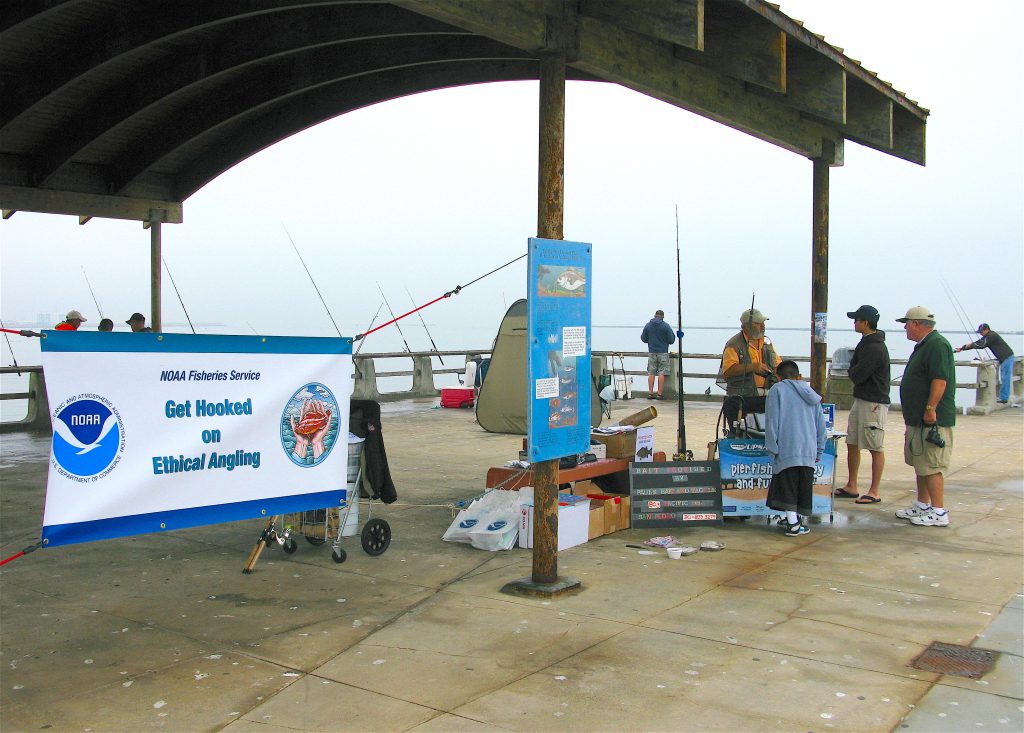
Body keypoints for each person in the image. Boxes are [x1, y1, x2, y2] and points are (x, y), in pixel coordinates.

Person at [895, 306, 955, 527]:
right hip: (916, 419)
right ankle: (922, 505)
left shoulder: (937, 345)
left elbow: (939, 379)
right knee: (920, 462)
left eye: (907, 323)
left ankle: (939, 511)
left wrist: (931, 408)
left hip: (931, 419)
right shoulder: (924, 346)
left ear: (917, 324)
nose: (905, 328)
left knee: (932, 464)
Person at [834, 305, 890, 504]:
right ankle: (852, 485)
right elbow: (854, 369)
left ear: (866, 322)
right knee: (853, 442)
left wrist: (853, 371)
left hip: (874, 401)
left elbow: (858, 373)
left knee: (875, 445)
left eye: (857, 320)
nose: (854, 323)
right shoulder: (865, 343)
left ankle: (874, 490)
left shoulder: (874, 346)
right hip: (861, 399)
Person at [764, 360, 826, 536]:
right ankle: (794, 519)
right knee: (801, 486)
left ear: (778, 377)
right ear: (799, 376)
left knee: (787, 486)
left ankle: (793, 525)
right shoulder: (811, 393)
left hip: (787, 447)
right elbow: (821, 427)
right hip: (808, 449)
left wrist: (772, 447)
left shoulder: (777, 390)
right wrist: (819, 449)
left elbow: (772, 421)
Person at [717, 308, 782, 397]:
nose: (763, 326)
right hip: (743, 395)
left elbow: (777, 365)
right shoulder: (734, 344)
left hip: (768, 393)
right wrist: (752, 367)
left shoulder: (766, 342)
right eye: (758, 323)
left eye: (763, 323)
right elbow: (728, 371)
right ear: (747, 326)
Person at [955, 323, 1015, 404]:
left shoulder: (992, 335)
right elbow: (979, 342)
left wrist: (971, 345)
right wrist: (962, 348)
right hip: (1004, 358)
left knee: (1005, 378)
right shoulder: (988, 336)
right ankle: (1003, 397)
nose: (980, 333)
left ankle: (1004, 398)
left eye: (981, 331)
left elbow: (982, 344)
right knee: (1004, 377)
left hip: (1007, 357)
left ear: (986, 330)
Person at [640, 309, 675, 399]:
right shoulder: (666, 326)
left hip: (652, 352)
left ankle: (650, 393)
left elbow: (643, 339)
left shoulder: (648, 325)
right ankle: (659, 394)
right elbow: (671, 340)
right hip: (663, 352)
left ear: (655, 315)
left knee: (651, 372)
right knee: (661, 373)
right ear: (662, 316)